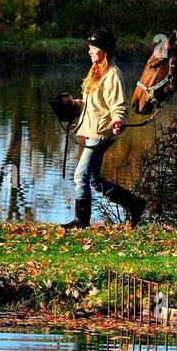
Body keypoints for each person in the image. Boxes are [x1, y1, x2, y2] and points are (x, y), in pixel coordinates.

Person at [60, 29, 146, 229]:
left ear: (104, 50)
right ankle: (134, 204)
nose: (89, 51)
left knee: (80, 175)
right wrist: (72, 105)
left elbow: (119, 106)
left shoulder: (113, 75)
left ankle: (81, 221)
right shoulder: (96, 70)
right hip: (92, 130)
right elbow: (93, 105)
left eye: (93, 48)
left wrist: (117, 121)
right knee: (94, 180)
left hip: (102, 132)